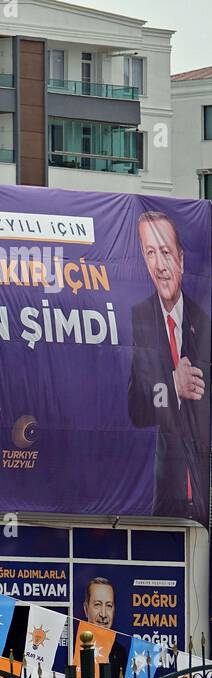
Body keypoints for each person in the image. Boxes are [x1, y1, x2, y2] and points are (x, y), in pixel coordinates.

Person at [127, 211, 211, 521]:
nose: (160, 265)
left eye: (165, 252)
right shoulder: (139, 319)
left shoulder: (204, 323)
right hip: (166, 496)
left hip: (205, 490)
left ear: (182, 259)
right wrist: (173, 385)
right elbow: (136, 408)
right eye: (150, 253)